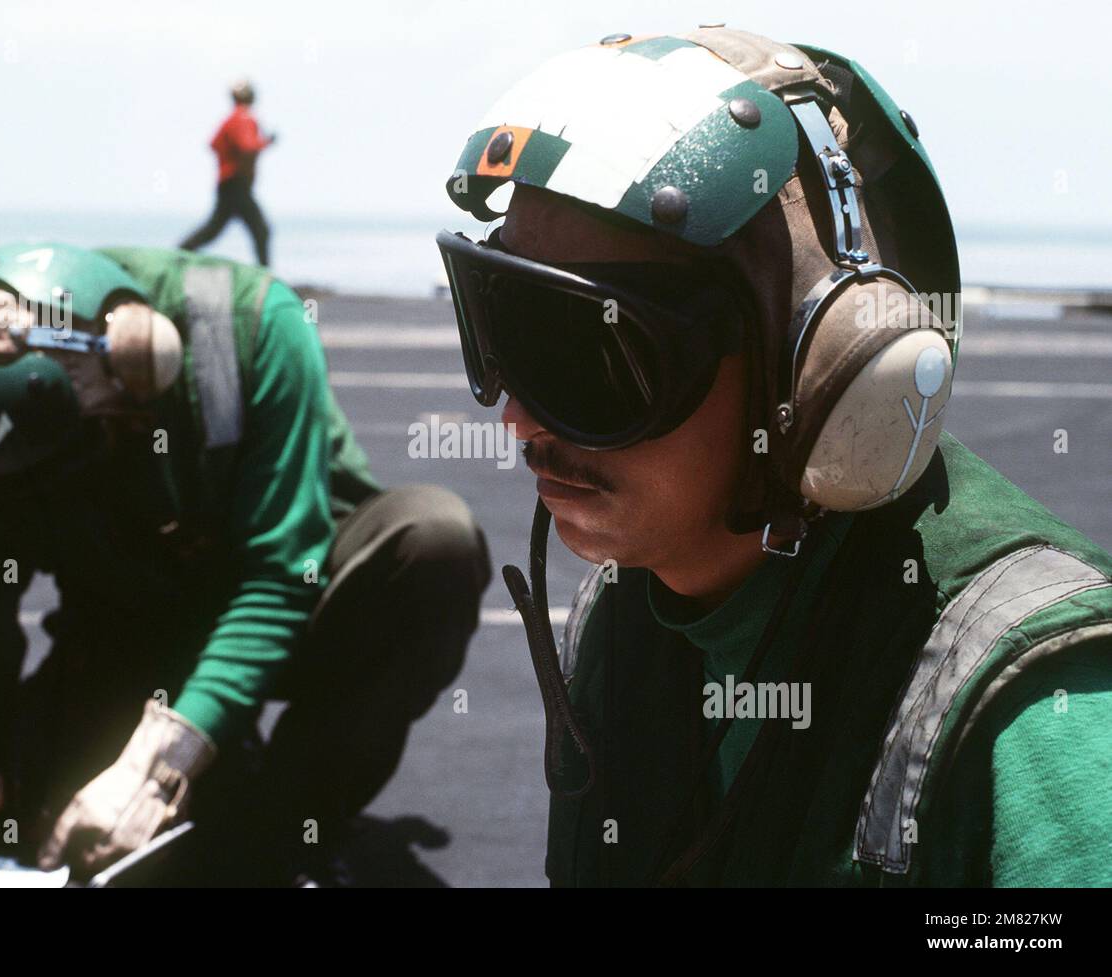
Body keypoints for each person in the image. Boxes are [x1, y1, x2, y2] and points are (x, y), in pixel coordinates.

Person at [436, 26, 1112, 886]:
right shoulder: (625, 620)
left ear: (819, 363)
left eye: (590, 357)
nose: (519, 420)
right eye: (500, 331)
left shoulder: (1034, 712)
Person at [0, 241, 490, 885]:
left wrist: (163, 760)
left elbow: (278, 576)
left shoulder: (253, 327)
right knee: (52, 836)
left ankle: (293, 819)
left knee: (434, 542)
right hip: (125, 628)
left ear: (137, 372)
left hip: (292, 605)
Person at [179, 80, 275, 265]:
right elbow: (247, 146)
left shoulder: (231, 119)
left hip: (229, 183)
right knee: (260, 230)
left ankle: (181, 253)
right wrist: (265, 143)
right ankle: (265, 275)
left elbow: (214, 143)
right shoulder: (244, 118)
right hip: (236, 183)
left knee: (214, 229)